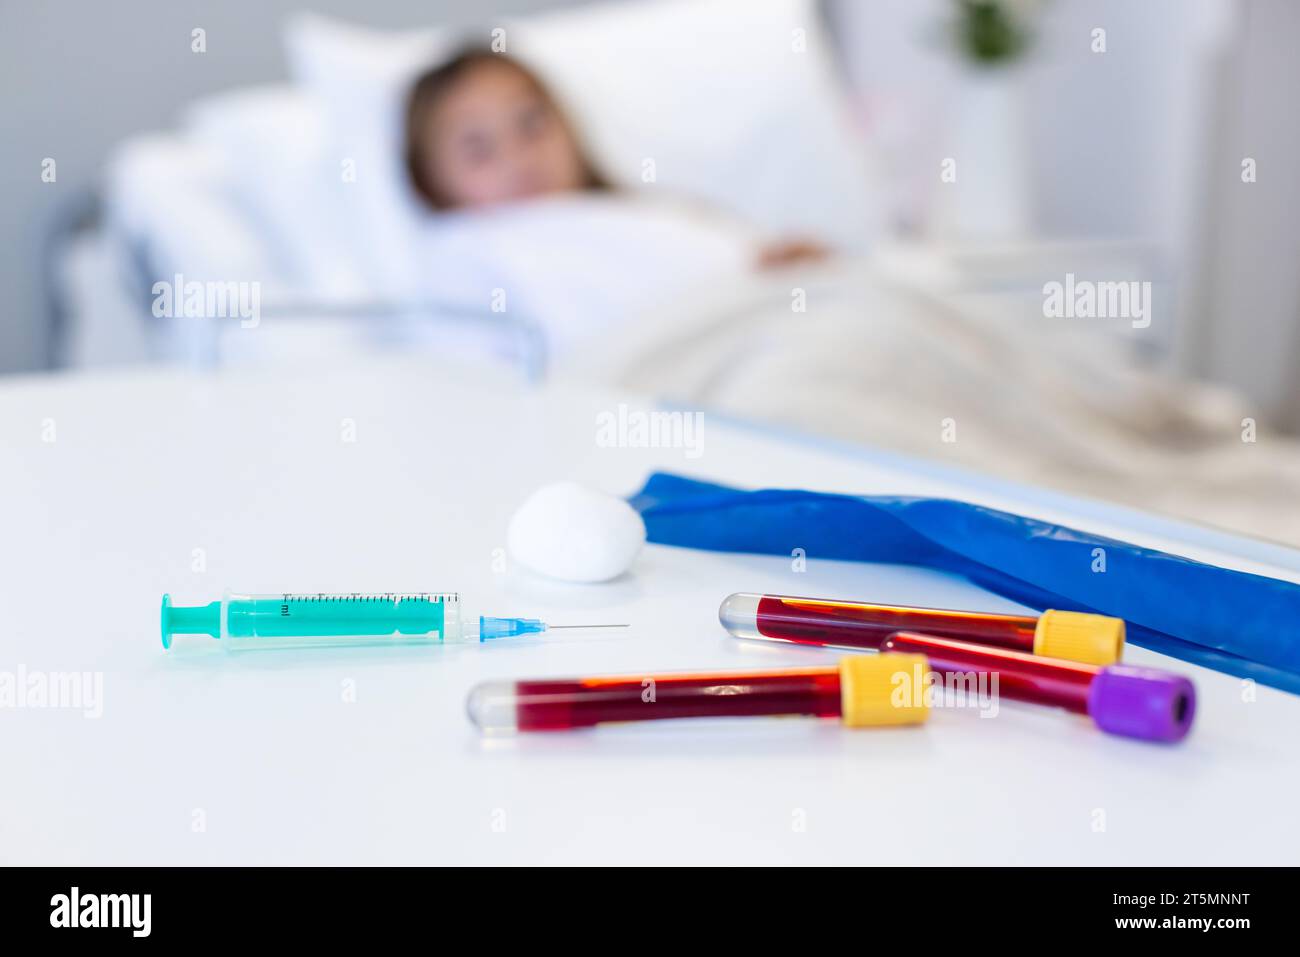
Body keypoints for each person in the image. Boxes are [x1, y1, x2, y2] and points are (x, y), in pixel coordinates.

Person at [404, 48, 827, 269]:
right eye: (479, 150)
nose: (519, 157)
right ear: (433, 184)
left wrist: (782, 263)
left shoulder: (651, 217)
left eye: (531, 124)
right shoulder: (468, 262)